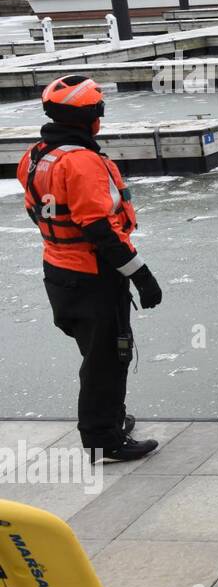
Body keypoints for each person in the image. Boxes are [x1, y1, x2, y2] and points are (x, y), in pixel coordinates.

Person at [17, 75, 162, 462]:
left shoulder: (35, 156)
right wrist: (141, 276)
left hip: (58, 271)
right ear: (89, 118)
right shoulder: (81, 163)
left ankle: (109, 419)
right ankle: (103, 438)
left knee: (94, 352)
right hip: (93, 275)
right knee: (108, 359)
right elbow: (100, 230)